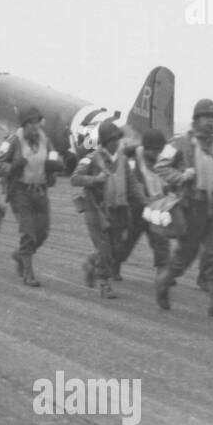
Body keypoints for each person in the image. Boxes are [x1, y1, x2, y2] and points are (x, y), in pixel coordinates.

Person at [153, 98, 213, 318]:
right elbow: (160, 166)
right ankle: (164, 282)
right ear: (196, 119)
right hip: (192, 207)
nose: (210, 122)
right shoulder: (179, 143)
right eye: (206, 117)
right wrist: (180, 177)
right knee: (185, 256)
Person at [71, 119, 141, 299]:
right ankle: (104, 282)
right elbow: (75, 178)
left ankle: (90, 263)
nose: (115, 143)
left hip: (118, 209)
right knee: (105, 248)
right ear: (104, 142)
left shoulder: (122, 159)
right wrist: (94, 180)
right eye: (111, 140)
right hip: (96, 209)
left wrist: (145, 200)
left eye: (117, 139)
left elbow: (131, 182)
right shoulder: (91, 157)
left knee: (116, 248)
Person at [0, 105, 61, 286]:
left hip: (40, 191)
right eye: (31, 123)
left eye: (37, 122)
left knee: (42, 233)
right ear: (24, 125)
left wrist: (54, 166)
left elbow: (55, 157)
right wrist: (13, 165)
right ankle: (28, 272)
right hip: (20, 191)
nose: (35, 126)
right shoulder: (12, 141)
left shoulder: (46, 140)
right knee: (28, 232)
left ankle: (20, 255)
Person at [115, 129, 171, 278]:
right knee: (127, 241)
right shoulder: (134, 154)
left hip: (156, 207)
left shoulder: (163, 159)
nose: (157, 153)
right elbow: (118, 155)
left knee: (161, 241)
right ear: (146, 148)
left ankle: (163, 271)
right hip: (136, 209)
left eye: (159, 149)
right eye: (154, 150)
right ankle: (114, 265)